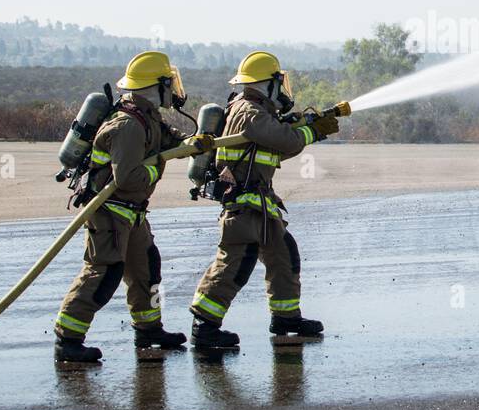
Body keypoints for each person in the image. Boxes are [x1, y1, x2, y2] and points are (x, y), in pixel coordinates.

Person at [54, 51, 213, 363]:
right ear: (156, 86)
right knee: (104, 272)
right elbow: (128, 178)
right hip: (110, 211)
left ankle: (148, 329)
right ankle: (68, 339)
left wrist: (195, 143)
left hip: (131, 213)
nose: (173, 89)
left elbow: (170, 140)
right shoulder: (128, 125)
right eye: (169, 83)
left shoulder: (147, 117)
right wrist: (157, 168)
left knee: (146, 269)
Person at [189, 51, 337, 347]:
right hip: (243, 205)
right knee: (236, 263)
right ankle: (204, 325)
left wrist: (303, 125)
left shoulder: (257, 112)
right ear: (267, 84)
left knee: (283, 253)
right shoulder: (250, 113)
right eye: (278, 83)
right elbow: (286, 141)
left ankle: (286, 317)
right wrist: (312, 132)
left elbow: (278, 147)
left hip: (259, 204)